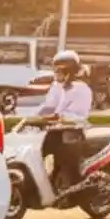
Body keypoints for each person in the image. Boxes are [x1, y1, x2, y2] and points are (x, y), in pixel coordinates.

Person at [36, 50, 92, 192]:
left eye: (59, 71)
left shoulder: (81, 89)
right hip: (56, 129)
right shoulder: (57, 87)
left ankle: (74, 184)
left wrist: (59, 118)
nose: (56, 74)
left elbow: (78, 115)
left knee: (66, 151)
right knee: (38, 150)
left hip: (73, 131)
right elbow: (48, 106)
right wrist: (31, 116)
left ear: (69, 72)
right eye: (55, 70)